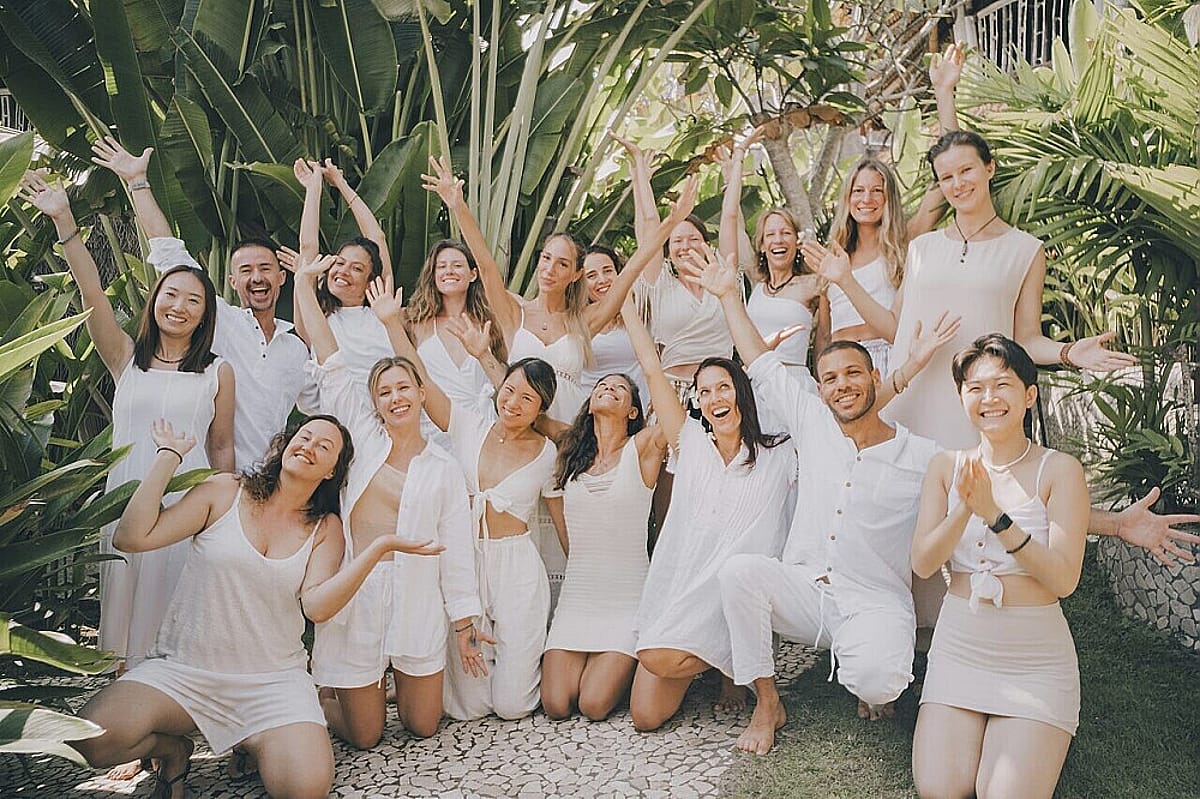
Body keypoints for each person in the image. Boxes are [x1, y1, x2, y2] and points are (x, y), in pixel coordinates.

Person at [804, 129, 1138, 628]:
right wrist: (845, 281)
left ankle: (955, 633)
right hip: (910, 400)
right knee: (899, 525)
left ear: (989, 168)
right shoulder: (921, 249)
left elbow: (1025, 337)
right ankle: (888, 634)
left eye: (966, 170)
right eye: (946, 176)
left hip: (975, 405)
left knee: (970, 517)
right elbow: (897, 328)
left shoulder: (1025, 250)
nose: (958, 183)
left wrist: (1069, 351)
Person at [71, 415, 443, 799]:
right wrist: (168, 457)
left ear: (332, 471)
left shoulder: (324, 528)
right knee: (90, 739)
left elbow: (316, 607)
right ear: (286, 445)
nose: (309, 446)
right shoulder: (224, 491)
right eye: (305, 436)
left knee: (305, 788)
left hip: (272, 682)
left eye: (324, 446)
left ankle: (250, 740)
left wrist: (379, 548)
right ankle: (174, 750)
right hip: (185, 671)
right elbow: (132, 538)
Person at [681, 243, 956, 754]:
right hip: (806, 592)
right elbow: (761, 363)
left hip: (874, 599)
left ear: (876, 378)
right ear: (820, 390)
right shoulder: (812, 423)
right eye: (829, 379)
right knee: (739, 572)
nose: (841, 386)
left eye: (853, 374)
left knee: (878, 681)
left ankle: (867, 671)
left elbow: (996, 487)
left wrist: (1112, 524)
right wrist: (726, 297)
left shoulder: (921, 455)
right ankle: (768, 702)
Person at [20, 173, 235, 671]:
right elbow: (91, 290)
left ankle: (178, 717)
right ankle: (137, 720)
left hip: (187, 505)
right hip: (128, 497)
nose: (179, 306)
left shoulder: (218, 372)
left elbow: (222, 449)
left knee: (182, 616)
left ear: (204, 315)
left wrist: (225, 519)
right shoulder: (125, 359)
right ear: (155, 301)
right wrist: (64, 219)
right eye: (171, 294)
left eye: (193, 300)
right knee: (128, 615)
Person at [293, 257, 482, 747]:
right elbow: (331, 359)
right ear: (373, 401)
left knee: (422, 725)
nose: (396, 398)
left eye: (404, 388)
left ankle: (390, 684)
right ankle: (325, 696)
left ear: (421, 393)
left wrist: (464, 624)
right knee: (366, 738)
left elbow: (457, 554)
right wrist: (303, 283)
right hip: (359, 594)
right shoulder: (359, 435)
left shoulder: (443, 468)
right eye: (385, 392)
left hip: (417, 599)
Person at [910, 334, 1091, 799]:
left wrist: (996, 515)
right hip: (960, 651)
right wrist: (966, 507)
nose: (988, 398)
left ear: (1029, 395)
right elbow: (925, 561)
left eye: (1002, 385)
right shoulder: (945, 467)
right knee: (939, 789)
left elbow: (1063, 579)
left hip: (1034, 661)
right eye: (975, 388)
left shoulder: (1060, 469)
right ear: (961, 398)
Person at [382, 300, 566, 721]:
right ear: (498, 390)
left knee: (511, 706)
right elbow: (421, 379)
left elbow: (561, 518)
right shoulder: (467, 426)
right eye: (510, 391)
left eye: (528, 399)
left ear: (541, 408)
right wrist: (392, 321)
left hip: (516, 568)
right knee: (469, 706)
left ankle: (526, 663)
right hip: (465, 563)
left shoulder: (549, 454)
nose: (515, 403)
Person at [623, 290, 795, 733]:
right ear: (697, 403)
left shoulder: (778, 452)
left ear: (742, 391)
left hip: (737, 595)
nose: (715, 397)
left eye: (724, 386)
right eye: (704, 392)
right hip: (684, 592)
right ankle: (730, 664)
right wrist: (624, 294)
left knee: (662, 661)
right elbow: (649, 366)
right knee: (644, 715)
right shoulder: (691, 445)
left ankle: (736, 663)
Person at [421, 155, 699, 425]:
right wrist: (458, 205)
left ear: (576, 274)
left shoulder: (584, 320)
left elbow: (632, 268)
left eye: (562, 263)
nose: (549, 269)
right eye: (546, 258)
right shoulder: (513, 313)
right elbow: (485, 264)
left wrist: (671, 224)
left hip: (567, 431)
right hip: (517, 427)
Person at [91, 136, 310, 470]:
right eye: (246, 271)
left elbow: (332, 393)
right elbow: (169, 253)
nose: (257, 278)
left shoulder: (296, 350)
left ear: (282, 277)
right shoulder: (219, 317)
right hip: (207, 484)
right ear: (233, 283)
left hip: (267, 489)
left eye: (266, 269)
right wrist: (137, 182)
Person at [811, 43, 966, 377]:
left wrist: (943, 92)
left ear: (888, 198)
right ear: (847, 198)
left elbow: (947, 176)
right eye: (859, 191)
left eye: (877, 191)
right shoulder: (833, 256)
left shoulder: (903, 240)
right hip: (838, 367)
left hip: (886, 359)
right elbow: (824, 332)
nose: (866, 199)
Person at [541, 368, 666, 721]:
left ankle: (625, 662)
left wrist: (657, 376)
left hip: (625, 601)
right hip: (578, 599)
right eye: (602, 385)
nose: (608, 387)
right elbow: (532, 414)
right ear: (589, 402)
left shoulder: (642, 448)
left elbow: (674, 426)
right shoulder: (571, 451)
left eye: (620, 388)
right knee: (556, 705)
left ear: (632, 412)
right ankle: (606, 664)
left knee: (593, 704)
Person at [717, 129, 822, 392]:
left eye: (786, 233)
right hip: (756, 382)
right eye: (771, 235)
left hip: (795, 381)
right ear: (762, 245)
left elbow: (826, 338)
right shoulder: (757, 279)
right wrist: (732, 179)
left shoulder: (813, 284)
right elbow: (734, 223)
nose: (778, 240)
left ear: (796, 242)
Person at [291, 157, 394, 413]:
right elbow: (308, 247)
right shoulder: (316, 317)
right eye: (339, 262)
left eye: (357, 268)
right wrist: (313, 188)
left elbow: (376, 237)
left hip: (388, 420)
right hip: (340, 428)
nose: (343, 271)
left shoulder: (382, 311)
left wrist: (340, 183)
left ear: (371, 281)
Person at [404, 239, 507, 423]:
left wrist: (484, 354)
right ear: (433, 275)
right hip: (430, 427)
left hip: (481, 425)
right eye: (441, 266)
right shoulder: (416, 323)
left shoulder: (490, 325)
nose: (449, 271)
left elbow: (506, 385)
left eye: (457, 265)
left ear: (473, 274)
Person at [577, 245, 649, 404]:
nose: (602, 280)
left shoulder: (638, 311)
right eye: (591, 275)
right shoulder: (575, 321)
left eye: (608, 271)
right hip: (587, 413)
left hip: (636, 411)